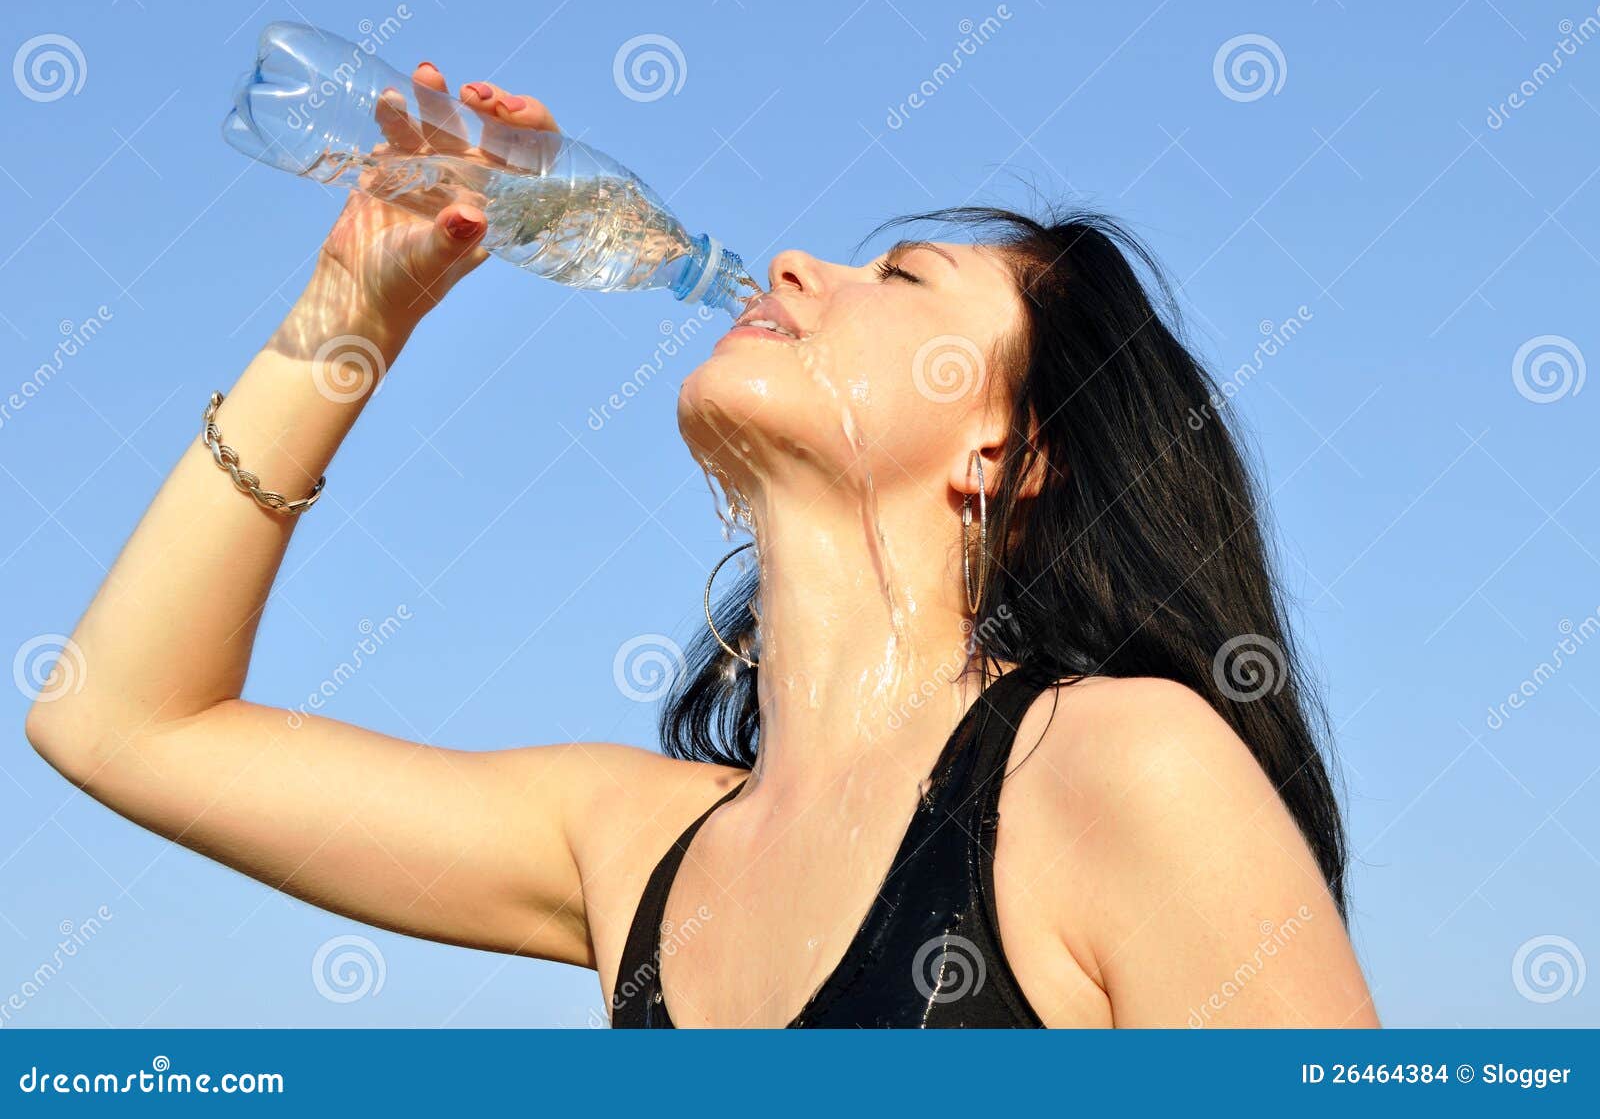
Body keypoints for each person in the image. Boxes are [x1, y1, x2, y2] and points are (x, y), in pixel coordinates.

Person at [25, 61, 1378, 1028]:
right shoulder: (630, 843)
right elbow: (122, 726)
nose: (797, 264)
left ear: (1006, 452)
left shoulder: (1120, 769)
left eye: (903, 278)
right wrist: (347, 322)